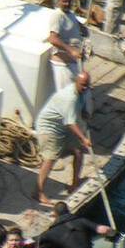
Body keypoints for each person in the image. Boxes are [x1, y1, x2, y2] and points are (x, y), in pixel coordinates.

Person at [34, 71, 93, 204]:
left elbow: (78, 109)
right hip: (49, 127)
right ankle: (38, 192)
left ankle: (75, 183)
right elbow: (70, 123)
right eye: (82, 85)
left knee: (78, 151)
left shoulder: (82, 92)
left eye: (87, 85)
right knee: (50, 158)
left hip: (62, 126)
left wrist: (84, 112)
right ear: (76, 82)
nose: (85, 88)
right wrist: (84, 138)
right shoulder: (69, 98)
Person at [47, 0, 87, 93]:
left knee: (78, 91)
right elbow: (53, 38)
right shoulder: (57, 16)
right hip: (63, 65)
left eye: (69, 1)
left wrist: (83, 28)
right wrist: (71, 50)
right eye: (64, 1)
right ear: (58, 1)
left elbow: (76, 25)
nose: (67, 4)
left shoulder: (70, 14)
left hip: (74, 62)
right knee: (66, 94)